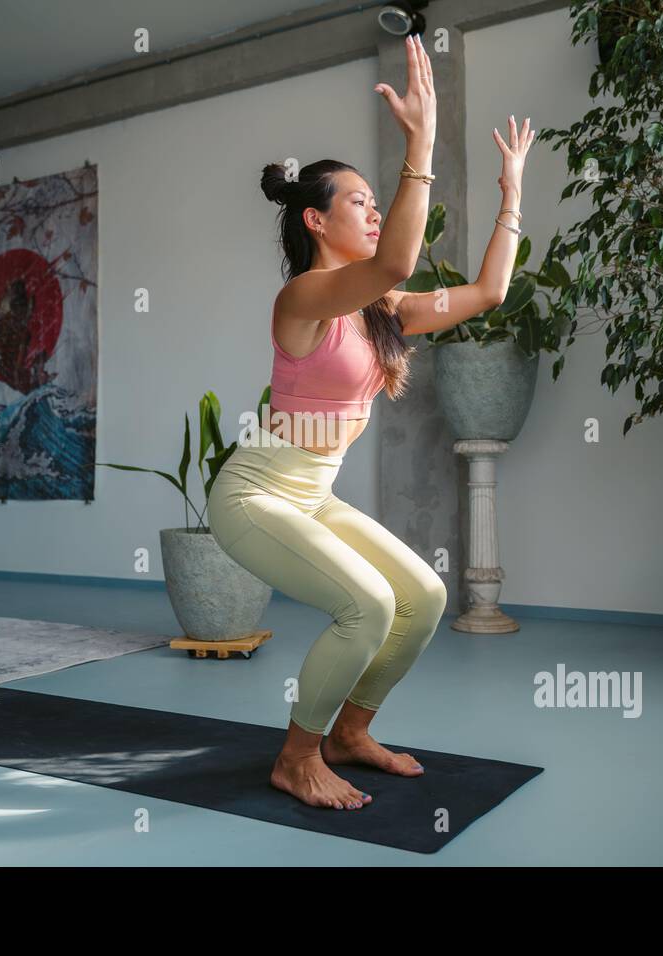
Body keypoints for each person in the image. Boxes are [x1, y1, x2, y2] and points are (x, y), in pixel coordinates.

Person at [207, 32, 536, 810]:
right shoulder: (303, 301)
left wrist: (512, 191)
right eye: (359, 201)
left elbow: (489, 292)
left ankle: (351, 732)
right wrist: (420, 139)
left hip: (312, 499)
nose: (375, 210)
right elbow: (392, 262)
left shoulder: (381, 314)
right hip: (255, 497)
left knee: (421, 597)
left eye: (375, 202)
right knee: (368, 606)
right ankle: (296, 757)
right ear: (316, 223)